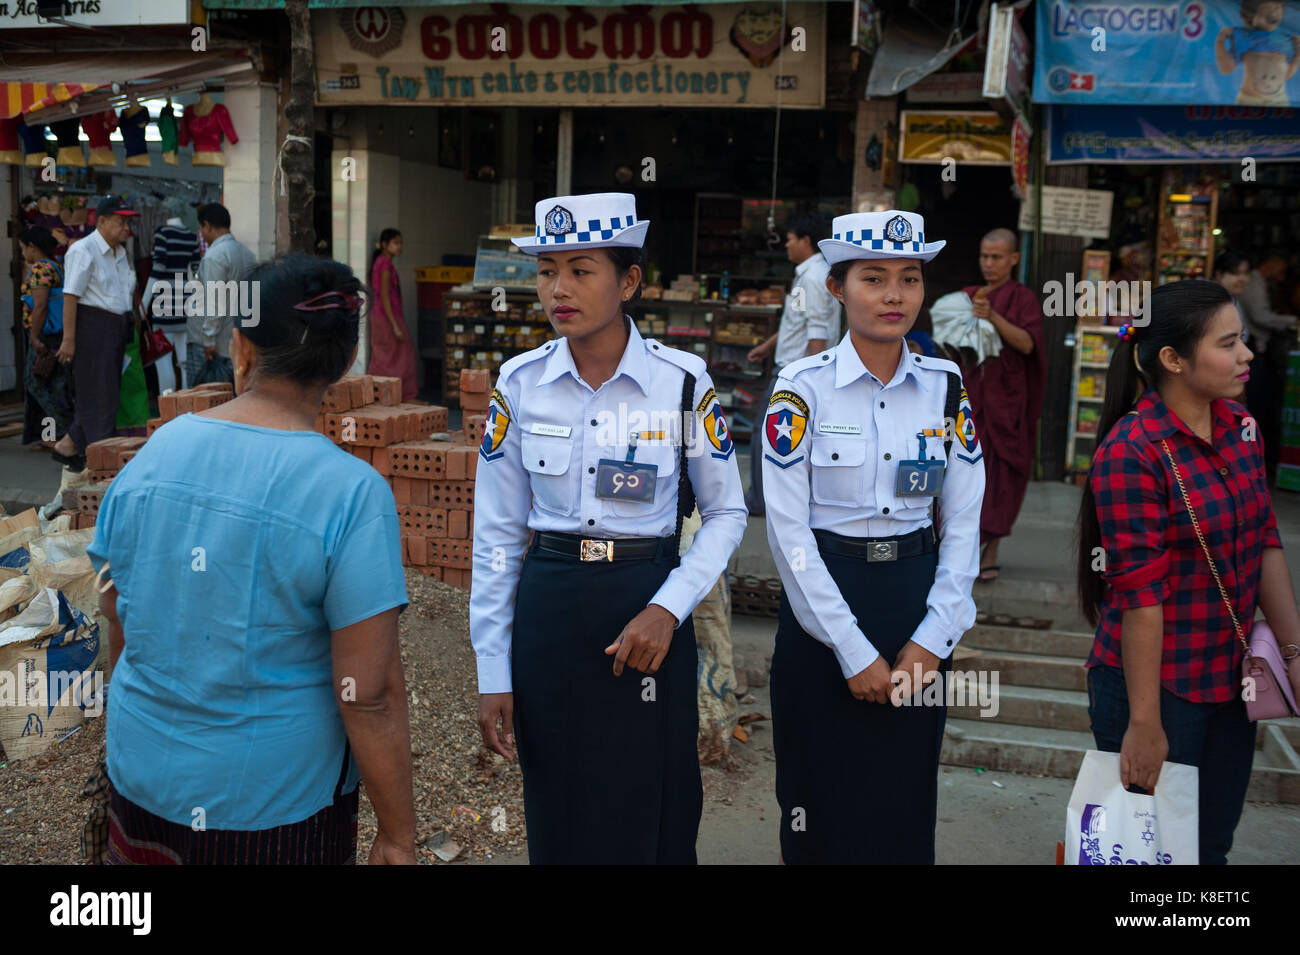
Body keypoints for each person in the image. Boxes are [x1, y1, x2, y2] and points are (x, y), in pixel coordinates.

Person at [88, 254, 416, 865]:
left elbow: (117, 612)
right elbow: (367, 691)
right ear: (345, 360)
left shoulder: (156, 453)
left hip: (140, 776)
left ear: (240, 349)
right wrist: (397, 836)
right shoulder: (350, 492)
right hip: (273, 806)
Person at [471, 193, 748, 864]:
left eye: (581, 269)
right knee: (558, 807)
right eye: (547, 270)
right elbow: (498, 535)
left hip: (646, 606)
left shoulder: (680, 385)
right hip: (551, 607)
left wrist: (668, 606)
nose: (558, 288)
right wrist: (491, 667)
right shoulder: (520, 383)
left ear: (629, 281)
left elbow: (727, 512)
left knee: (652, 805)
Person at [762, 210, 985, 864]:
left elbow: (964, 523)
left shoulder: (944, 391)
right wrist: (852, 649)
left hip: (912, 600)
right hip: (822, 608)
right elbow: (788, 532)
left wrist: (933, 639)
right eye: (874, 278)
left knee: (903, 807)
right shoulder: (801, 391)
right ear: (836, 287)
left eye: (909, 278)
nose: (895, 295)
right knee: (813, 806)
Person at [1076, 279, 1300, 865]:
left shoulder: (1240, 427)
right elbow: (1141, 599)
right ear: (1173, 359)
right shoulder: (1134, 451)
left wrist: (1295, 655)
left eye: (1243, 340)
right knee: (1150, 854)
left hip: (1232, 676)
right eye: (1228, 344)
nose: (1246, 355)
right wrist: (1145, 725)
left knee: (1209, 849)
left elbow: (1266, 542)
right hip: (1155, 688)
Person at [962, 228, 1045, 581]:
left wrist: (992, 317)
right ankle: (959, 550)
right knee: (963, 476)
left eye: (997, 257)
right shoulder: (967, 296)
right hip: (971, 399)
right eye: (984, 256)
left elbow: (1027, 344)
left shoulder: (1021, 298)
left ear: (1013, 259)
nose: (989, 264)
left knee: (1001, 479)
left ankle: (990, 551)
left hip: (1006, 404)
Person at [745, 214, 840, 516]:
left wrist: (816, 376)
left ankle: (760, 502)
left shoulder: (813, 277)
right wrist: (766, 346)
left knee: (766, 433)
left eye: (790, 239)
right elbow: (796, 322)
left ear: (805, 241)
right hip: (789, 366)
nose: (785, 244)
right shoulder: (807, 275)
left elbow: (816, 329)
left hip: (796, 371)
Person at [55, 196, 139, 472]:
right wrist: (69, 340)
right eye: (120, 221)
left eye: (128, 222)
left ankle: (67, 447)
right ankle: (99, 461)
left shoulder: (121, 252)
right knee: (98, 395)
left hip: (116, 327)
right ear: (101, 221)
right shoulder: (84, 249)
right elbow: (70, 296)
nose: (126, 227)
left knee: (106, 393)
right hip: (92, 327)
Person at [1237, 250, 1297, 484]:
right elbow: (1261, 316)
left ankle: (1254, 463)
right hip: (1257, 349)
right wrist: (1292, 321)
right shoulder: (1253, 283)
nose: (1281, 277)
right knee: (1252, 406)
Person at [187, 203, 256, 386]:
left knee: (206, 399)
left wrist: (208, 340)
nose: (201, 233)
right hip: (238, 341)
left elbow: (213, 301)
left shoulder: (215, 256)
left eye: (201, 228)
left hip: (214, 343)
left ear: (207, 225)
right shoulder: (247, 254)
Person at [19, 226, 74, 451]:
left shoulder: (41, 269)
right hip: (56, 334)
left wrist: (34, 337)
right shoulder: (56, 266)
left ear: (32, 247)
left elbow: (40, 306)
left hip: (45, 336)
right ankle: (49, 435)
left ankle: (66, 430)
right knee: (52, 385)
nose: (23, 253)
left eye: (23, 248)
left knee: (38, 385)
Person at [145, 196, 201, 392]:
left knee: (163, 358)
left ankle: (166, 407)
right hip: (185, 298)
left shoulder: (163, 234)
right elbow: (196, 270)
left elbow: (157, 270)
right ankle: (187, 406)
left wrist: (144, 303)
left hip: (164, 299)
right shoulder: (191, 235)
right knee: (185, 362)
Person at [368, 228, 418, 401]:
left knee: (386, 355)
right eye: (395, 243)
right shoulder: (384, 264)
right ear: (384, 244)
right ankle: (401, 395)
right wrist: (395, 325)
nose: (399, 247)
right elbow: (384, 296)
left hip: (383, 315)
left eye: (400, 243)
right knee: (401, 353)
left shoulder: (381, 262)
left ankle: (381, 393)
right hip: (387, 316)